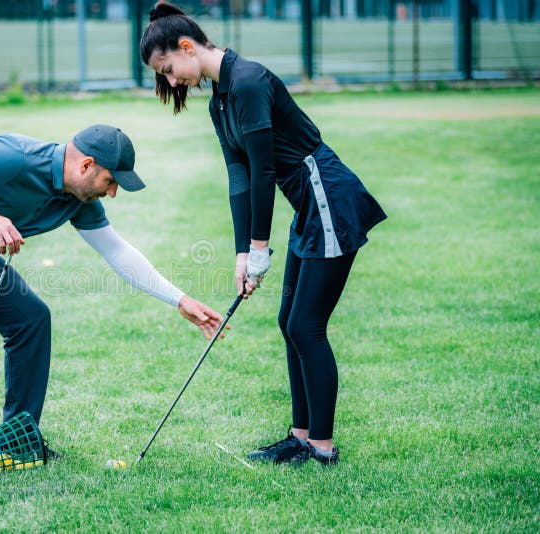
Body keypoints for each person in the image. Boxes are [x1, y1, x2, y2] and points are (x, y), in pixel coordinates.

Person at [0, 124, 223, 469]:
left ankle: (16, 441)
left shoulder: (77, 199)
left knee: (31, 319)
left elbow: (116, 251)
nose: (113, 192)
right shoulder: (17, 156)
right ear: (87, 165)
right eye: (111, 181)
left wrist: (179, 299)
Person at [140, 2, 387, 466]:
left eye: (169, 69)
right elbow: (239, 176)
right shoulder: (219, 99)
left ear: (188, 47)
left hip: (328, 198)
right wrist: (242, 254)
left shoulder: (249, 81)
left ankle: (322, 447)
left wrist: (259, 247)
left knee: (305, 326)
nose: (172, 82)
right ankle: (301, 435)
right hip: (308, 207)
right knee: (288, 322)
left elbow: (264, 169)